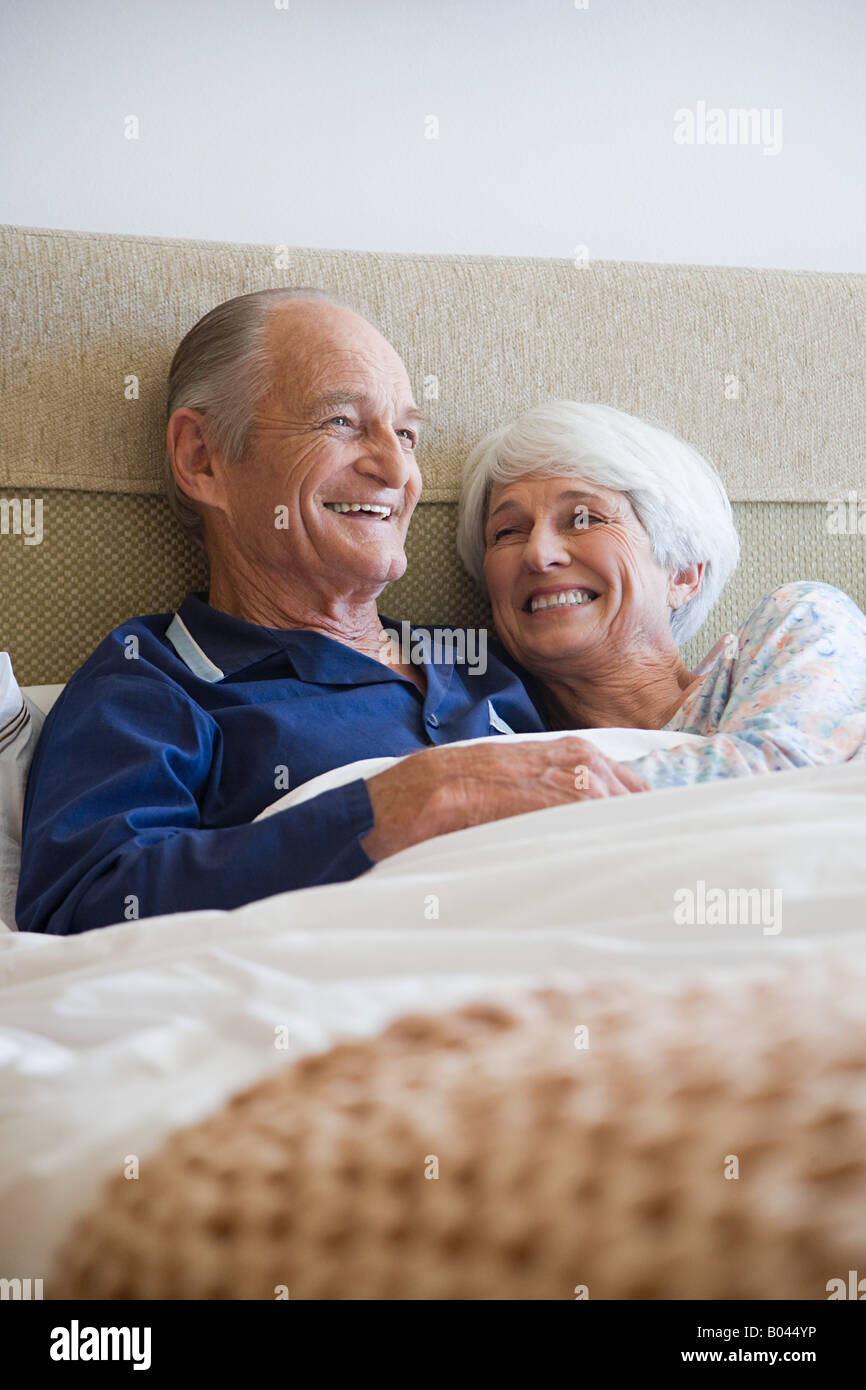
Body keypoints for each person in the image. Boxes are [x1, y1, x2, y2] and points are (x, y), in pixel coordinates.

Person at [17, 296, 643, 936]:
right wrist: (395, 808)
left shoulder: (482, 660)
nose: (397, 469)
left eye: (406, 433)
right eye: (341, 422)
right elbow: (82, 908)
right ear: (202, 458)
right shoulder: (152, 682)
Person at [457, 400, 866, 788]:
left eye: (585, 518)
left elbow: (778, 780)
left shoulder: (799, 621)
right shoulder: (471, 737)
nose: (538, 554)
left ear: (683, 573)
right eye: (508, 531)